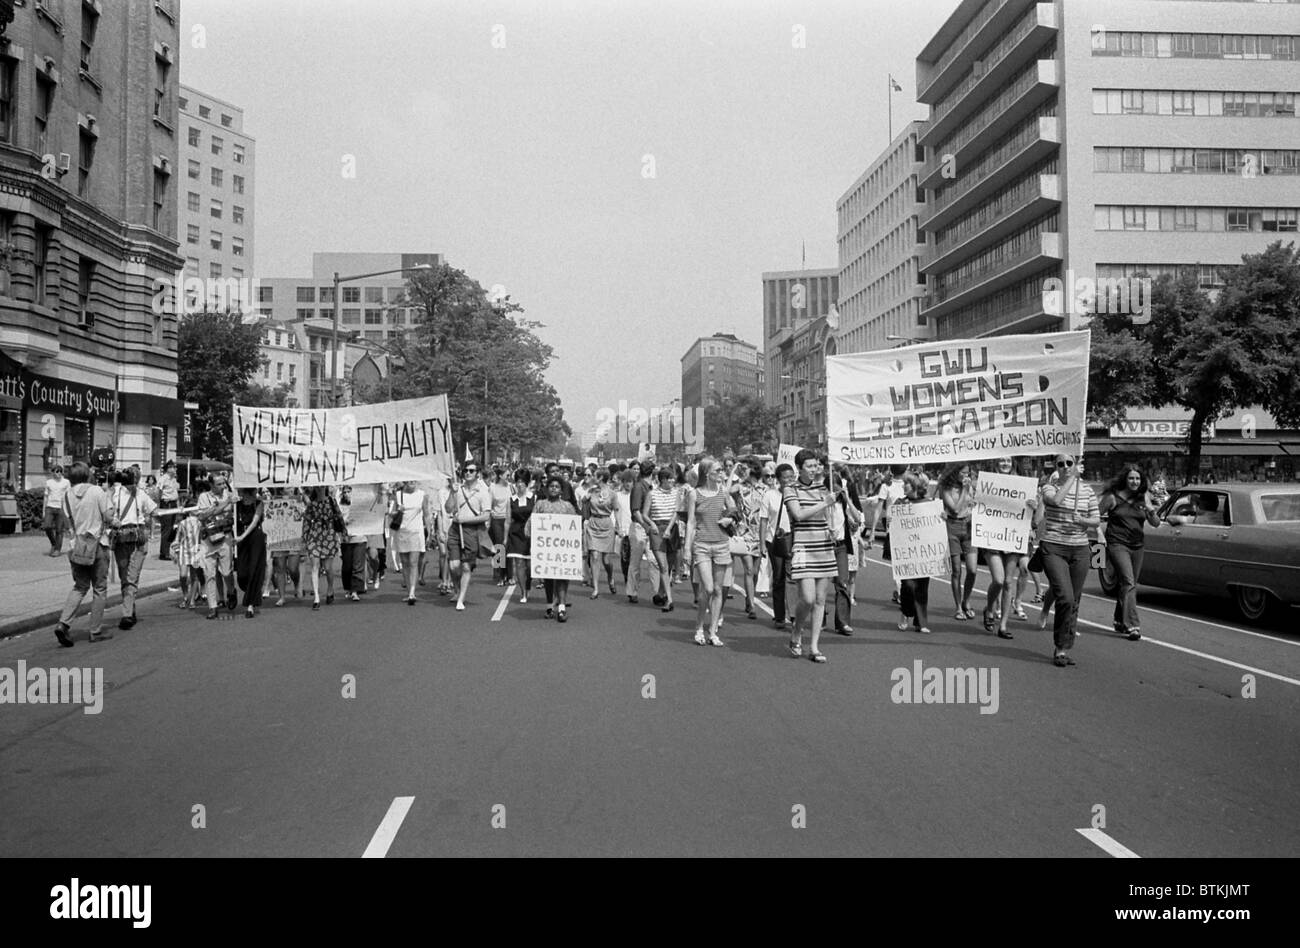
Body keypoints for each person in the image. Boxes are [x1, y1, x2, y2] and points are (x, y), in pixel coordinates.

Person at [1040, 453, 1101, 667]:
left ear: (1075, 464)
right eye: (1061, 464)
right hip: (1054, 546)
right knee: (1064, 596)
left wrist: (1083, 520)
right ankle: (1059, 643)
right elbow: (1055, 501)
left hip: (1080, 549)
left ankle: (1063, 648)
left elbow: (1096, 519)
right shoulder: (1050, 485)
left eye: (1069, 463)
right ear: (1055, 467)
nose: (1065, 466)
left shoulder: (1086, 490)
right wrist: (1071, 478)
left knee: (1074, 600)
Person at [784, 449, 840, 663]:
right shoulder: (791, 489)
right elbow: (798, 514)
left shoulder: (822, 487)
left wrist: (832, 527)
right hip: (804, 546)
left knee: (820, 600)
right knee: (806, 598)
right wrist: (825, 503)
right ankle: (797, 631)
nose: (814, 470)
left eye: (816, 466)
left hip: (823, 546)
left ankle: (814, 646)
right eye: (809, 466)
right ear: (799, 468)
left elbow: (826, 514)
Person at [52, 461, 115, 646]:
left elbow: (67, 522)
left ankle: (63, 623)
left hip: (76, 545)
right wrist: (110, 501)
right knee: (99, 588)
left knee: (80, 586)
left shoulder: (66, 495)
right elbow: (108, 517)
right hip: (97, 543)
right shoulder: (97, 491)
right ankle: (95, 631)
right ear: (87, 474)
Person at [1099, 465, 1161, 641]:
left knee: (1128, 584)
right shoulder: (1112, 497)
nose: (1135, 482)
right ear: (1125, 480)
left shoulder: (1144, 497)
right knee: (1128, 581)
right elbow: (1095, 515)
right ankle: (1132, 625)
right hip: (1117, 544)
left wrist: (1150, 510)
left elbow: (1155, 523)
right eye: (1131, 478)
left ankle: (1119, 620)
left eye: (1138, 479)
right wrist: (1098, 538)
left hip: (1137, 545)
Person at [684, 455, 738, 646]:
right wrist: (687, 549)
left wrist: (730, 519)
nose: (721, 473)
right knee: (707, 589)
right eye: (718, 470)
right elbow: (690, 522)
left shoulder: (723, 492)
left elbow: (734, 511)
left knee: (718, 590)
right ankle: (699, 626)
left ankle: (712, 631)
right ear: (707, 474)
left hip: (721, 544)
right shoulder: (694, 494)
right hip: (702, 545)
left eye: (722, 470)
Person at [981, 456, 1035, 640]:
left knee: (1008, 583)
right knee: (998, 580)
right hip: (992, 539)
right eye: (1002, 461)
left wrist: (1032, 507)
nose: (1006, 464)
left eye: (1009, 462)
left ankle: (1003, 625)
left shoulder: (1020, 485)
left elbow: (1028, 514)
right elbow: (980, 507)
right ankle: (989, 609)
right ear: (996, 463)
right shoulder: (987, 483)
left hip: (1012, 539)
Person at [109, 467, 157, 631]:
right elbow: (106, 513)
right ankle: (130, 608)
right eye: (131, 479)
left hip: (138, 537)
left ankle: (126, 615)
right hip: (121, 538)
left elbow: (153, 510)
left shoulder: (141, 494)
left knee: (131, 576)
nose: (133, 483)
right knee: (124, 576)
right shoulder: (113, 494)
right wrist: (112, 522)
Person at [445, 461, 492, 611]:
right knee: (454, 566)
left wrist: (465, 519)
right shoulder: (458, 489)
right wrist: (452, 493)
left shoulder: (483, 492)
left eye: (471, 471)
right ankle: (457, 588)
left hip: (471, 531)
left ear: (477, 473)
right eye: (465, 470)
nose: (468, 473)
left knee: (465, 567)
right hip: (455, 530)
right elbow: (448, 509)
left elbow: (485, 516)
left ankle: (461, 598)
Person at [530, 475, 577, 621]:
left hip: (562, 549)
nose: (554, 489)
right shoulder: (540, 504)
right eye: (551, 486)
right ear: (546, 488)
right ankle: (549, 606)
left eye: (557, 487)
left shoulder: (568, 507)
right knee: (548, 577)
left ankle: (562, 608)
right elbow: (531, 523)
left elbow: (574, 528)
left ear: (561, 490)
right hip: (545, 550)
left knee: (562, 577)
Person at [894, 471, 934, 634]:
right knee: (908, 585)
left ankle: (921, 621)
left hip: (924, 551)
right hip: (906, 551)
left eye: (907, 484)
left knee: (922, 587)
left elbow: (935, 525)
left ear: (916, 486)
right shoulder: (900, 503)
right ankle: (906, 611)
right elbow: (890, 522)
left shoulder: (929, 503)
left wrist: (942, 517)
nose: (903, 486)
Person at [826, 462, 862, 636]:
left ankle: (842, 622)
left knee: (842, 583)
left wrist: (847, 498)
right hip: (823, 547)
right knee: (820, 585)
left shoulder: (844, 504)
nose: (836, 491)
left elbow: (858, 518)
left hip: (840, 546)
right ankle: (821, 617)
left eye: (839, 487)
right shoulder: (823, 503)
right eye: (833, 488)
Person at [195, 472, 237, 620]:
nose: (222, 486)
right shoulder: (203, 497)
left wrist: (226, 504)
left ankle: (231, 591)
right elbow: (203, 515)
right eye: (218, 484)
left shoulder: (230, 493)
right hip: (208, 540)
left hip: (225, 538)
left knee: (226, 572)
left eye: (223, 483)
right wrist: (225, 504)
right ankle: (212, 606)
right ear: (211, 485)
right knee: (209, 574)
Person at [940, 464, 977, 620]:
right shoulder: (946, 488)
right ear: (955, 473)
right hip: (952, 527)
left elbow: (974, 504)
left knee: (972, 569)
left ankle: (966, 600)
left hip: (968, 528)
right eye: (963, 473)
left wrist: (973, 512)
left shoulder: (971, 487)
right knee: (956, 570)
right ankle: (958, 607)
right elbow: (955, 508)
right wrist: (964, 489)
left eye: (968, 473)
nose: (966, 476)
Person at [762, 463, 796, 629]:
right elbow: (763, 520)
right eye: (785, 478)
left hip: (795, 540)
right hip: (775, 541)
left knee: (794, 578)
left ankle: (795, 614)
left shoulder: (798, 495)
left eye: (792, 477)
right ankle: (779, 616)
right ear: (778, 479)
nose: (789, 480)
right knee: (778, 578)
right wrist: (761, 544)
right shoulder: (770, 495)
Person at [643, 466, 682, 612]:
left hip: (671, 528)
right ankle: (669, 600)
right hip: (656, 529)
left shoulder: (676, 493)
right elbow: (645, 514)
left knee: (669, 565)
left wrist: (668, 529)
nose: (673, 481)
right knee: (663, 566)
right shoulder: (652, 494)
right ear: (663, 480)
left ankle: (660, 593)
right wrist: (652, 524)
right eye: (670, 478)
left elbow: (676, 512)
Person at [729, 463, 765, 619]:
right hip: (744, 533)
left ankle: (748, 598)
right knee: (749, 569)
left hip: (759, 533)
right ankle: (751, 605)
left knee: (755, 571)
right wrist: (734, 472)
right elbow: (726, 491)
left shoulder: (764, 489)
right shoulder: (739, 487)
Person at [867, 464, 906, 602]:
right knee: (898, 562)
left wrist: (872, 531)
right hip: (894, 528)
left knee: (904, 562)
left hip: (909, 527)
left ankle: (900, 590)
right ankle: (901, 591)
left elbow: (878, 510)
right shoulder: (886, 486)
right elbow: (879, 508)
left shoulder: (909, 484)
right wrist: (872, 531)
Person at [301, 486, 340, 610]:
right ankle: (316, 597)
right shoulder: (311, 504)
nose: (319, 488)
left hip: (328, 534)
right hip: (315, 535)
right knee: (315, 566)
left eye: (321, 486)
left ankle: (330, 588)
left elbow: (339, 517)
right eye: (317, 487)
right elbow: (306, 521)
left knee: (328, 568)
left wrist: (343, 533)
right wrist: (305, 536)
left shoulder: (332, 501)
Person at [626, 460, 659, 603]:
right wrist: (646, 525)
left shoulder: (651, 487)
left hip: (649, 526)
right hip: (640, 526)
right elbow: (636, 511)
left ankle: (658, 592)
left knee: (654, 561)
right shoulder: (639, 487)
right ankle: (632, 591)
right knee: (636, 561)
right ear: (652, 472)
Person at [390, 481, 427, 605]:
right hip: (402, 531)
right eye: (409, 480)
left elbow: (426, 514)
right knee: (405, 562)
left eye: (414, 480)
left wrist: (430, 531)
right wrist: (397, 511)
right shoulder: (398, 494)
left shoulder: (422, 494)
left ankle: (412, 592)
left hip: (416, 532)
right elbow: (392, 514)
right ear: (405, 481)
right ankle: (408, 592)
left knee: (413, 562)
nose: (412, 483)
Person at [583, 470, 618, 599]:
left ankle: (610, 577)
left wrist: (618, 525)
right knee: (595, 555)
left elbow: (616, 509)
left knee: (606, 560)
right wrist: (587, 494)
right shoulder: (592, 491)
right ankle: (596, 588)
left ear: (601, 478)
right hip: (593, 523)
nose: (592, 478)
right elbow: (583, 501)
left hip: (606, 524)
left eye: (594, 476)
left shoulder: (612, 493)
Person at [233, 487, 267, 618]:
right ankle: (253, 593)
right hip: (241, 540)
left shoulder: (258, 503)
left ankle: (250, 605)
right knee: (242, 574)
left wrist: (242, 536)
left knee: (253, 569)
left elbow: (254, 522)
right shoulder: (237, 505)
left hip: (255, 538)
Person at [271, 488, 304, 606]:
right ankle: (282, 597)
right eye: (287, 486)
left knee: (293, 568)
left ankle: (296, 583)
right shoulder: (274, 500)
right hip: (279, 536)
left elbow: (303, 514)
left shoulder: (299, 500)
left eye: (291, 486)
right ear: (281, 489)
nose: (290, 488)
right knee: (280, 567)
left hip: (294, 536)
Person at [507, 468, 535, 602]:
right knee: (518, 562)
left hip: (531, 533)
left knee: (529, 565)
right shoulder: (511, 499)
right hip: (516, 532)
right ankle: (523, 592)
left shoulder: (534, 498)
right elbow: (508, 519)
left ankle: (528, 585)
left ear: (528, 483)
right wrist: (504, 539)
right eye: (517, 482)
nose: (519, 485)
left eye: (522, 482)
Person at [338, 486, 369, 603]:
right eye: (344, 492)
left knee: (358, 565)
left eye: (349, 491)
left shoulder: (361, 504)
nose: (346, 494)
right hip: (346, 539)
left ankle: (355, 591)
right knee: (347, 567)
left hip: (360, 538)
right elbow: (337, 522)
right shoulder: (340, 506)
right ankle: (348, 588)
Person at [488, 467, 512, 586]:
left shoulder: (510, 487)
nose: (509, 477)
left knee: (508, 547)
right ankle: (498, 574)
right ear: (501, 476)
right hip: (497, 520)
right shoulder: (492, 488)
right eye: (507, 475)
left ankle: (509, 575)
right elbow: (489, 504)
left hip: (508, 519)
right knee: (499, 547)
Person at [42, 465, 70, 556]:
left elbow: (68, 496)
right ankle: (53, 543)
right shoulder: (49, 482)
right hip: (50, 507)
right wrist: (43, 510)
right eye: (55, 472)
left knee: (59, 530)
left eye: (59, 471)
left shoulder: (66, 482)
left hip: (61, 508)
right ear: (52, 473)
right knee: (47, 526)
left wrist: (68, 510)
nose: (57, 474)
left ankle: (57, 549)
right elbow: (46, 497)